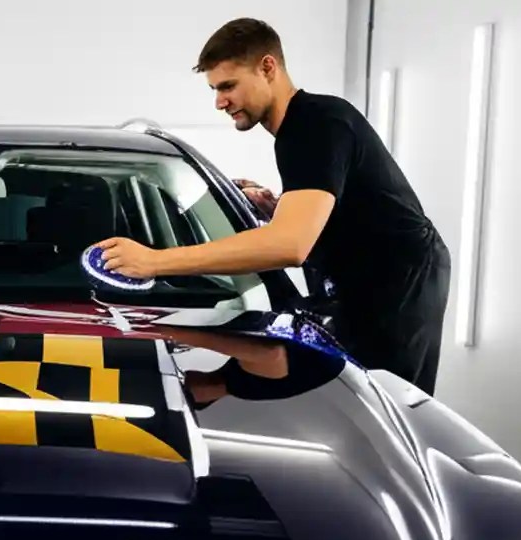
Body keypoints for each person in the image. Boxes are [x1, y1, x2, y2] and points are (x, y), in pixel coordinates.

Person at [95, 17, 451, 395]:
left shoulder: (316, 123)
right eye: (215, 89)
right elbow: (340, 209)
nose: (219, 102)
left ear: (268, 67)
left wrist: (153, 262)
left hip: (396, 287)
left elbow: (288, 246)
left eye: (228, 86)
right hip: (365, 283)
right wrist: (280, 207)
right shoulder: (302, 128)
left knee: (383, 410)